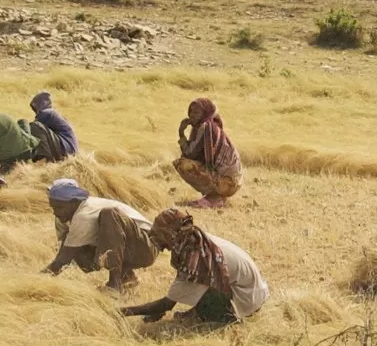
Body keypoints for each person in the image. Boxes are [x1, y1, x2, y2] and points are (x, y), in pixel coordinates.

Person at [122, 208, 268, 326]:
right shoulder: (196, 239)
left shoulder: (196, 256)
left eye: (162, 238)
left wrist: (122, 312)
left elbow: (167, 303)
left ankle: (227, 320)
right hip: (253, 291)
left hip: (248, 300)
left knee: (202, 293)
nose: (162, 247)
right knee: (195, 288)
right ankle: (202, 314)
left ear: (171, 235)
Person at [43, 179, 157, 291]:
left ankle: (114, 284)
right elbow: (65, 248)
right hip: (129, 247)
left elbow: (63, 259)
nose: (55, 212)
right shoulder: (63, 218)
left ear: (74, 202)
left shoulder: (84, 214)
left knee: (109, 214)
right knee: (75, 245)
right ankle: (127, 277)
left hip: (146, 246)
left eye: (59, 207)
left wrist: (38, 280)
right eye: (53, 208)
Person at [174, 98, 243, 209]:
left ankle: (214, 198)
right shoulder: (209, 127)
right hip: (233, 182)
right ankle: (216, 197)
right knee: (189, 163)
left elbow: (189, 154)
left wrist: (181, 134)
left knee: (183, 165)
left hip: (227, 182)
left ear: (205, 113)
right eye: (191, 111)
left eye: (196, 112)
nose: (192, 115)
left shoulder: (205, 127)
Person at [29, 91, 79, 162]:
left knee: (35, 127)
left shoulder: (48, 113)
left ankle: (44, 159)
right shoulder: (55, 115)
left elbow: (32, 130)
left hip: (66, 150)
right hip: (69, 150)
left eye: (34, 107)